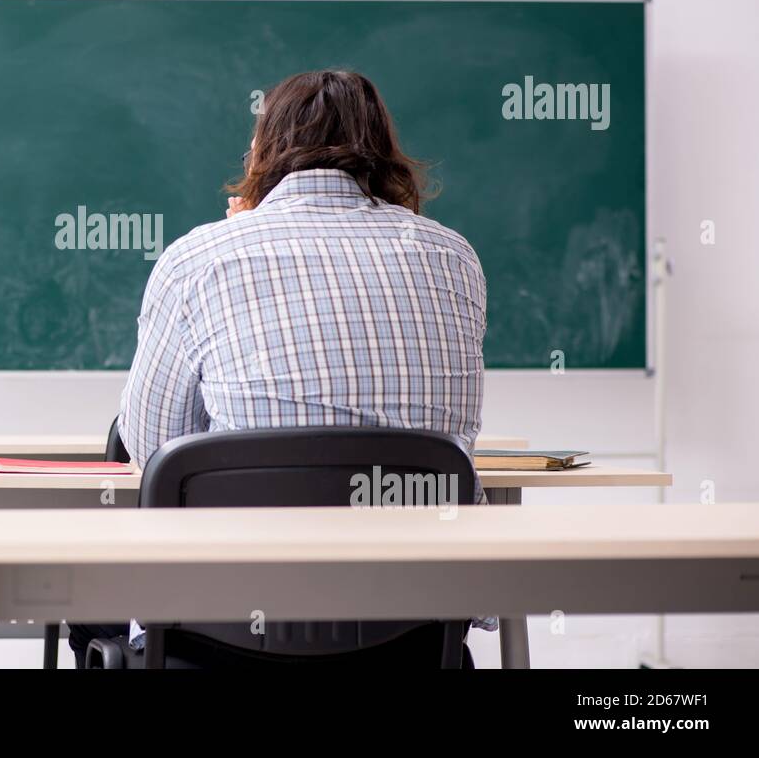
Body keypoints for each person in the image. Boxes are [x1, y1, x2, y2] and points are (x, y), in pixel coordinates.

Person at [69, 68, 489, 668]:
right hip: (409, 638)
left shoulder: (198, 257)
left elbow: (152, 446)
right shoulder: (452, 257)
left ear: (263, 152)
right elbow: (459, 433)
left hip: (218, 635)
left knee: (89, 591)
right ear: (384, 155)